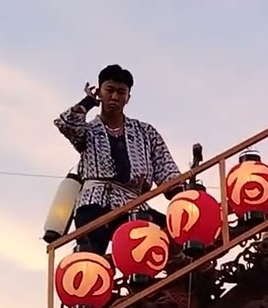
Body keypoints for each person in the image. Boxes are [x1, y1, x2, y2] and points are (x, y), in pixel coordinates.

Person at [54, 64, 182, 255]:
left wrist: (182, 194)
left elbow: (166, 168)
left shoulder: (146, 132)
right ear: (100, 92)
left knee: (173, 236)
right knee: (90, 255)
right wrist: (88, 102)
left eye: (121, 92)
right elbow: (66, 124)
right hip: (94, 201)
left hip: (134, 205)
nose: (114, 97)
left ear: (128, 97)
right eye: (109, 90)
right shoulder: (88, 131)